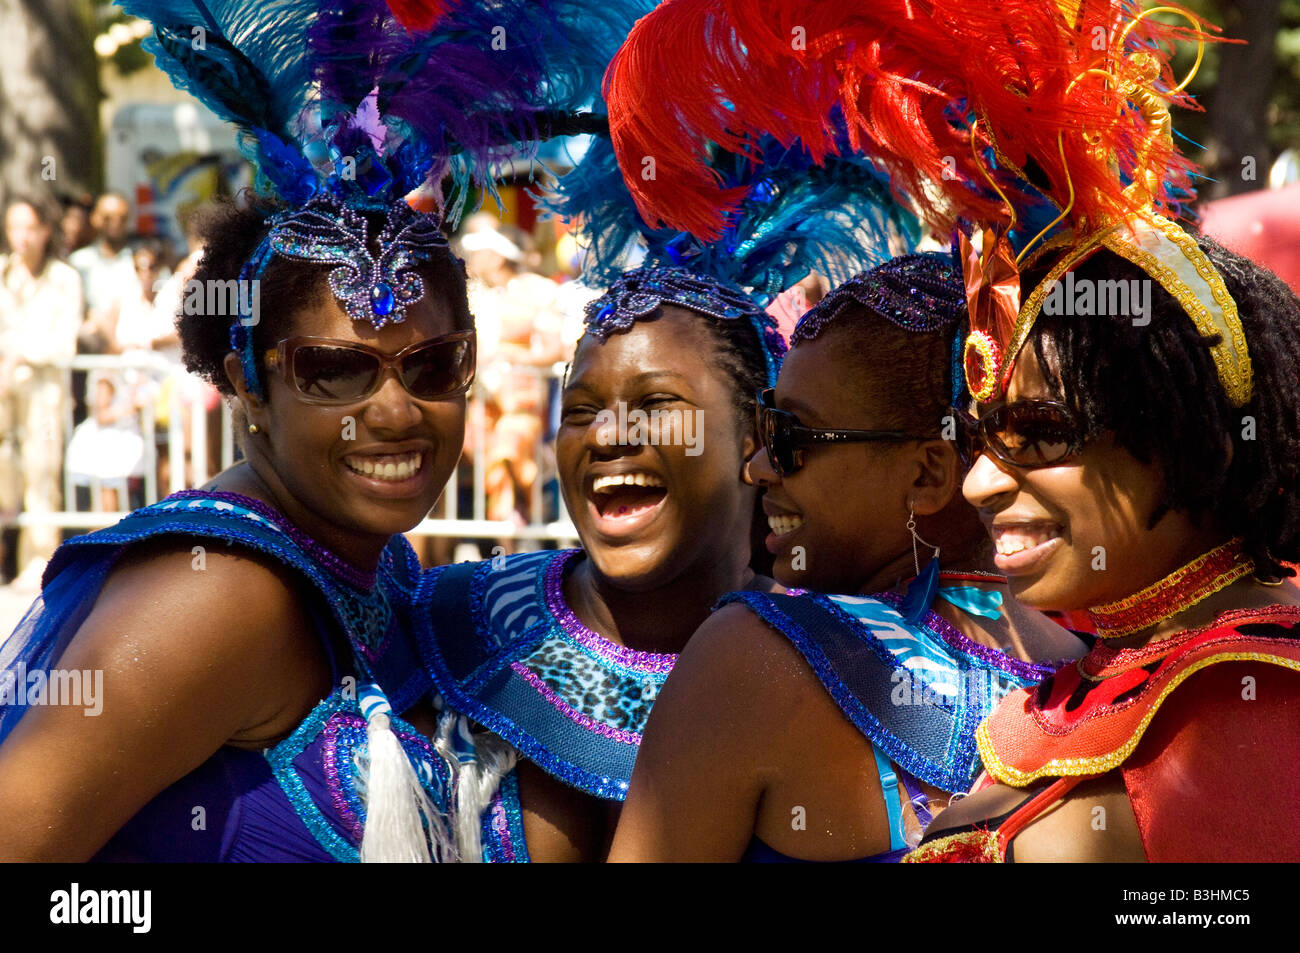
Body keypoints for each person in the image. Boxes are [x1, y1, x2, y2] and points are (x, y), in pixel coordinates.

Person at [0, 0, 608, 862]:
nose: (395, 411)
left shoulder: (371, 564)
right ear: (249, 382)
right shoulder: (219, 594)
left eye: (433, 364)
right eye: (335, 369)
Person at [414, 123, 913, 861]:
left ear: (754, 438)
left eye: (655, 407)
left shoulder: (845, 664)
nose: (608, 436)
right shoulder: (450, 624)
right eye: (581, 411)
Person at [607, 255, 1084, 862]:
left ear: (927, 474)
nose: (758, 468)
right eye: (763, 431)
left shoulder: (752, 655)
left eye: (792, 439)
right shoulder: (1087, 672)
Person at [910, 234, 1300, 862]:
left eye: (1041, 433)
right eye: (982, 439)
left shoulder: (1249, 695)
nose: (979, 483)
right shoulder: (1105, 671)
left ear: (1194, 440)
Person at [0, 195, 84, 586]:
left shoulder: (65, 278)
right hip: (3, 394)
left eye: (30, 227)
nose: (22, 237)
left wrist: (21, 355)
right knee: (5, 474)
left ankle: (37, 566)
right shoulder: (1, 274)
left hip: (44, 394)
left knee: (41, 473)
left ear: (45, 231)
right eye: (14, 227)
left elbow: (63, 344)